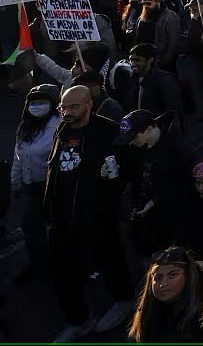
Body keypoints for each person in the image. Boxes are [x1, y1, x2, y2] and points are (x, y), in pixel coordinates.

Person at [43, 84, 135, 341]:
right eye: (63, 107)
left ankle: (123, 301)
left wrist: (113, 182)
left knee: (109, 259)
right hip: (62, 215)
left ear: (89, 104)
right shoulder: (62, 129)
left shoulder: (108, 130)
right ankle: (78, 320)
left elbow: (127, 168)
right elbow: (55, 168)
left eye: (74, 107)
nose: (67, 112)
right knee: (63, 271)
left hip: (97, 213)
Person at [114, 109, 196, 256]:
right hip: (148, 219)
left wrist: (154, 201)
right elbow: (134, 176)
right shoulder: (138, 148)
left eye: (134, 137)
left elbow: (184, 185)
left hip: (173, 219)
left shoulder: (178, 149)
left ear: (149, 129)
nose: (131, 142)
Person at [9, 82, 59, 280]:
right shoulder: (26, 126)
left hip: (53, 187)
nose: (36, 106)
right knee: (31, 228)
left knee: (57, 228)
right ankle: (39, 265)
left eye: (42, 102)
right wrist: (15, 183)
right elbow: (18, 158)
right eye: (33, 102)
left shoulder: (60, 125)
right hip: (30, 186)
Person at [127, 246, 203, 343]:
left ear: (188, 276)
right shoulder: (148, 315)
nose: (163, 284)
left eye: (172, 275)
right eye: (158, 278)